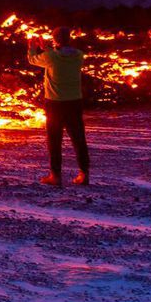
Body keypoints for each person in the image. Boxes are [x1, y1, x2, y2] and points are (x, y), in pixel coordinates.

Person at [26, 27, 90, 186]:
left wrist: (32, 47)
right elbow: (58, 54)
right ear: (70, 39)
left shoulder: (51, 56)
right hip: (75, 101)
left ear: (54, 40)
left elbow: (33, 59)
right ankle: (84, 174)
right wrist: (47, 47)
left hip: (55, 102)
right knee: (79, 138)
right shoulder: (79, 55)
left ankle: (55, 175)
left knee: (54, 139)